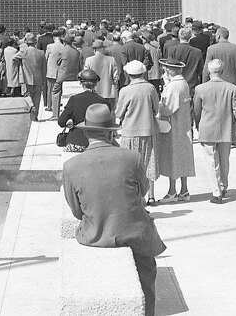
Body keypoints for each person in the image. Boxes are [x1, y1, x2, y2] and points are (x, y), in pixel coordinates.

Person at [62, 104, 167, 316]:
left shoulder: (71, 166)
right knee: (146, 271)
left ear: (85, 132)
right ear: (111, 132)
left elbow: (76, 212)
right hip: (134, 233)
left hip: (95, 235)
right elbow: (143, 192)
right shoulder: (132, 158)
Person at [191, 57, 236, 203]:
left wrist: (197, 125)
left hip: (207, 128)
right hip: (226, 129)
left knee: (211, 161)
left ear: (209, 72)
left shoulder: (200, 89)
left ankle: (216, 191)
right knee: (224, 160)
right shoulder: (231, 88)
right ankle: (223, 186)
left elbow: (196, 111)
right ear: (222, 71)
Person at [114, 60, 160, 204]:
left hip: (130, 132)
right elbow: (156, 109)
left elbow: (119, 112)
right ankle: (151, 195)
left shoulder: (125, 90)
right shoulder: (150, 88)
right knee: (148, 163)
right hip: (147, 130)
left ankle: (133, 197)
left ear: (129, 74)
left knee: (129, 166)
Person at [155, 59, 195, 202]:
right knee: (182, 157)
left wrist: (158, 106)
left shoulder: (174, 86)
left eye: (166, 68)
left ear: (170, 70)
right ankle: (184, 190)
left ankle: (172, 191)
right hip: (183, 125)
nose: (164, 71)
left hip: (174, 127)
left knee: (173, 158)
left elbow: (168, 109)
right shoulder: (183, 83)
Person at [57, 68, 105, 152]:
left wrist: (70, 120)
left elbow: (61, 122)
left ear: (81, 83)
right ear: (96, 83)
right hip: (97, 144)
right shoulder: (103, 101)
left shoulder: (74, 99)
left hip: (77, 142)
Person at [204, 26, 236, 100]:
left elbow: (206, 70)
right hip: (232, 85)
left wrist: (204, 85)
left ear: (219, 36)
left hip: (216, 85)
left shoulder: (211, 49)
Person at [46, 29, 82, 120]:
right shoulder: (77, 52)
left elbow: (57, 62)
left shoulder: (62, 51)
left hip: (62, 76)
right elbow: (79, 65)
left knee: (55, 92)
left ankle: (55, 114)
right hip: (73, 76)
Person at [15, 35, 48, 120]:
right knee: (37, 98)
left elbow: (13, 58)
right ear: (35, 42)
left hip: (26, 78)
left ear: (26, 42)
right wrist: (44, 80)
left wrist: (20, 62)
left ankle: (31, 105)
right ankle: (34, 116)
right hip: (39, 78)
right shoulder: (41, 52)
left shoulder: (23, 52)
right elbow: (44, 68)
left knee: (27, 94)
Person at [83, 39, 120, 110]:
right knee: (110, 113)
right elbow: (116, 77)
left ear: (94, 50)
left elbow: (85, 76)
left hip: (94, 92)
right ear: (102, 49)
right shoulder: (111, 60)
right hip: (109, 92)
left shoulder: (89, 60)